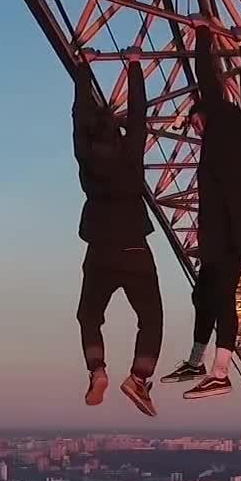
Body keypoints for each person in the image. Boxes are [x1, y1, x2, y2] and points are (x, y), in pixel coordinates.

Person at [161, 23, 241, 401]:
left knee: (222, 297)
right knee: (205, 294)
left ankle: (219, 372)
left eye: (197, 123)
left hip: (231, 234)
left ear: (208, 115)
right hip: (229, 232)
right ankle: (198, 362)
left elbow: (209, 79)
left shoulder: (221, 128)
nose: (196, 130)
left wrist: (202, 34)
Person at [72, 59, 161, 417]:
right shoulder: (130, 156)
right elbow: (139, 115)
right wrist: (136, 66)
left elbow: (79, 115)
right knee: (151, 317)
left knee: (89, 315)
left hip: (99, 249)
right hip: (134, 246)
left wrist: (83, 70)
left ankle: (98, 369)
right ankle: (139, 377)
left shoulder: (85, 158)